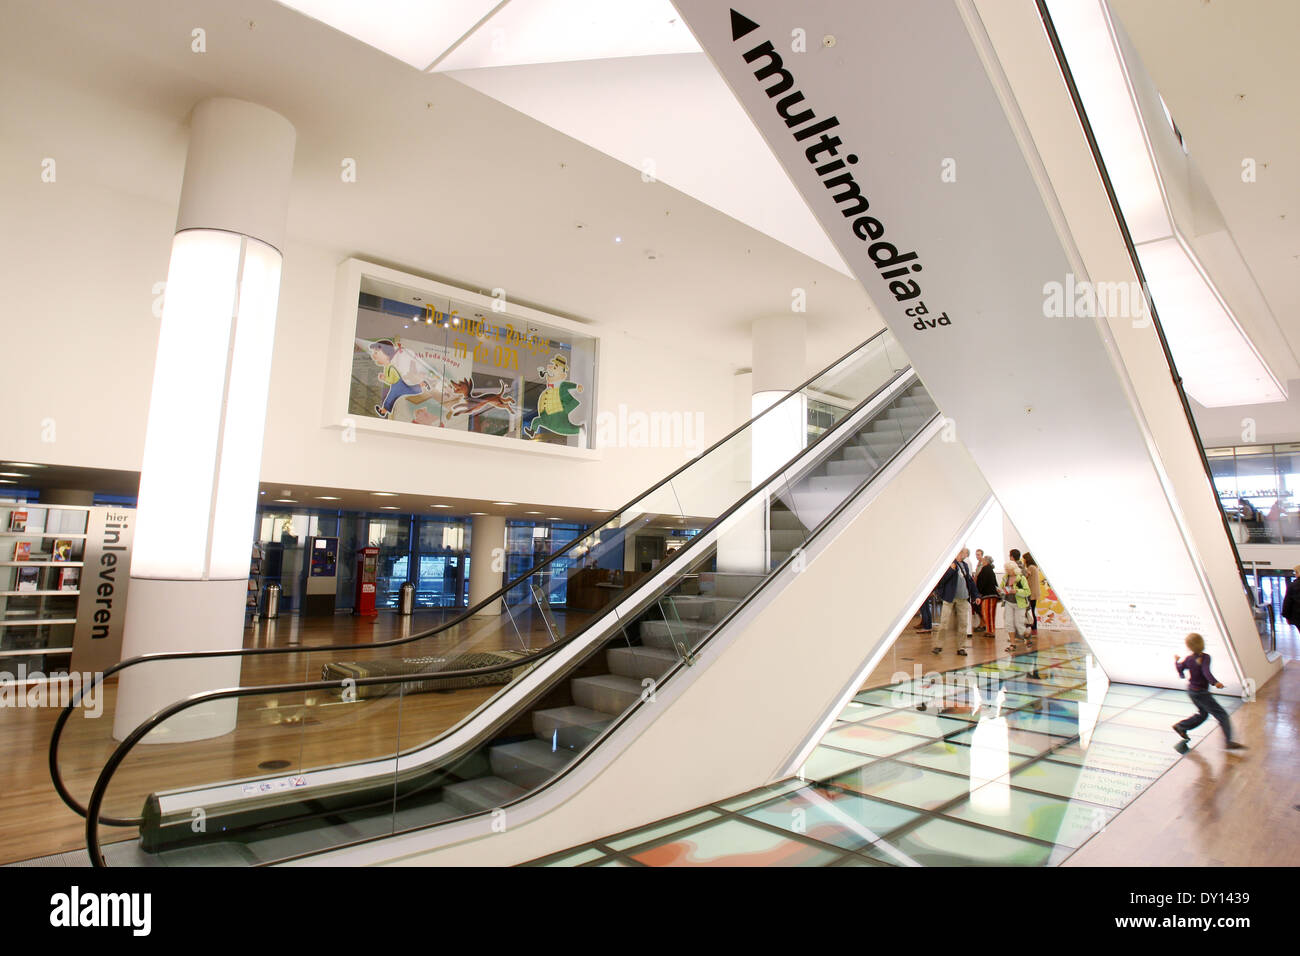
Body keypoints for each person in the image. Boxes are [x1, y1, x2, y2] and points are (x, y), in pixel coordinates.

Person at [1172, 633, 1245, 751]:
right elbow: (1206, 672)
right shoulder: (1205, 657)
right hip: (1201, 693)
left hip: (1192, 691)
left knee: (1203, 714)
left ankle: (1181, 726)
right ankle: (1228, 742)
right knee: (1222, 715)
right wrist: (1215, 683)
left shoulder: (1189, 659)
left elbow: (1180, 668)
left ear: (1189, 646)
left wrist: (1176, 661)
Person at [933, 550, 975, 657]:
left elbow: (969, 581)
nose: (964, 555)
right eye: (962, 552)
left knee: (963, 623)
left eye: (964, 553)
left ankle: (961, 647)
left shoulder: (965, 565)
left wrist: (975, 595)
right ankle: (939, 645)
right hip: (949, 598)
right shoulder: (949, 564)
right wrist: (951, 569)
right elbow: (942, 580)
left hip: (963, 598)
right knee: (944, 622)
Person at [1000, 560, 1031, 652]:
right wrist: (1001, 590)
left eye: (1009, 569)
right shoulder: (1005, 578)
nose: (1008, 571)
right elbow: (1002, 588)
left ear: (1014, 569)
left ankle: (1026, 634)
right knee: (1009, 623)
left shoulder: (1021, 578)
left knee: (1019, 624)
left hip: (1020, 604)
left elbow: (1027, 592)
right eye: (1007, 569)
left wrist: (1016, 591)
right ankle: (1012, 644)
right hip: (1009, 602)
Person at [976, 555, 999, 641]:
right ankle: (989, 630)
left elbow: (983, 582)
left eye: (984, 559)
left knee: (988, 613)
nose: (982, 561)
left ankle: (991, 631)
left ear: (986, 561)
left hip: (988, 595)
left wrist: (979, 591)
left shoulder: (986, 569)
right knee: (988, 613)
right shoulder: (989, 569)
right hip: (990, 594)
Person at [1023, 552, 1041, 637]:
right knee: (1032, 611)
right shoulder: (1035, 567)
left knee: (1030, 612)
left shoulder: (1030, 568)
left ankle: (1033, 629)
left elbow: (1025, 577)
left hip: (1031, 593)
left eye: (1024, 559)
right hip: (1035, 593)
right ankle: (1034, 630)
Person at [1282, 566, 1300, 633]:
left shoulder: (1292, 586)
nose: (1295, 574)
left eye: (1295, 572)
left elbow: (1287, 602)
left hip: (1298, 617)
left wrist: (1286, 615)